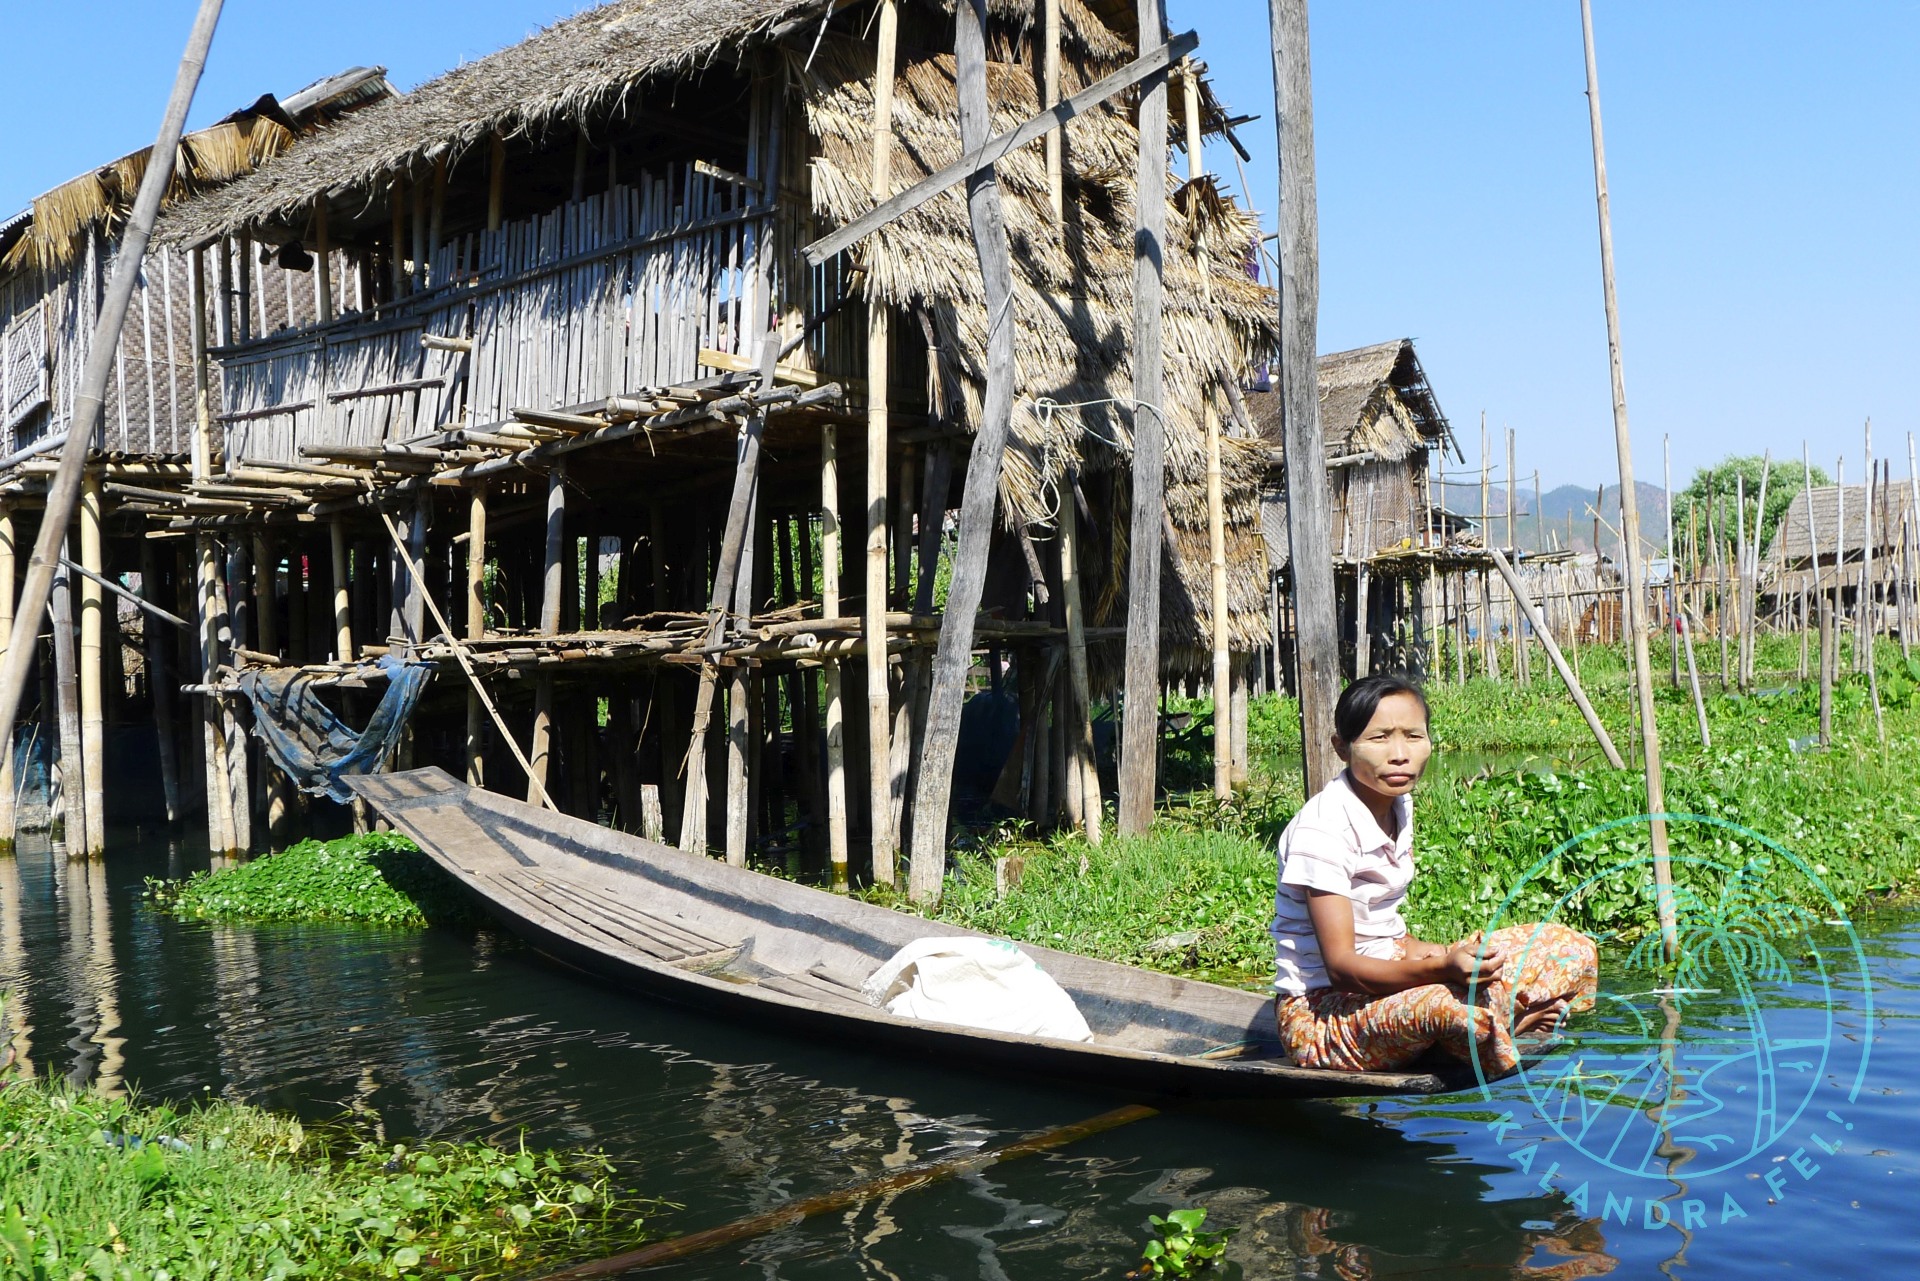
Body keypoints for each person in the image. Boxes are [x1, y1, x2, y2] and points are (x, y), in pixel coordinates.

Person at [1272, 673, 1598, 1074]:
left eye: (1413, 736)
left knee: (1568, 946)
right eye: (1379, 738)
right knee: (1449, 1008)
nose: (1399, 753)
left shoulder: (1397, 803)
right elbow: (1341, 969)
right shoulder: (1321, 829)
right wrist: (1440, 969)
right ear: (1343, 747)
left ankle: (1492, 1026)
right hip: (1322, 1017)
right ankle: (1498, 1028)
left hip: (1388, 983)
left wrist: (1454, 956)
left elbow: (1385, 933)